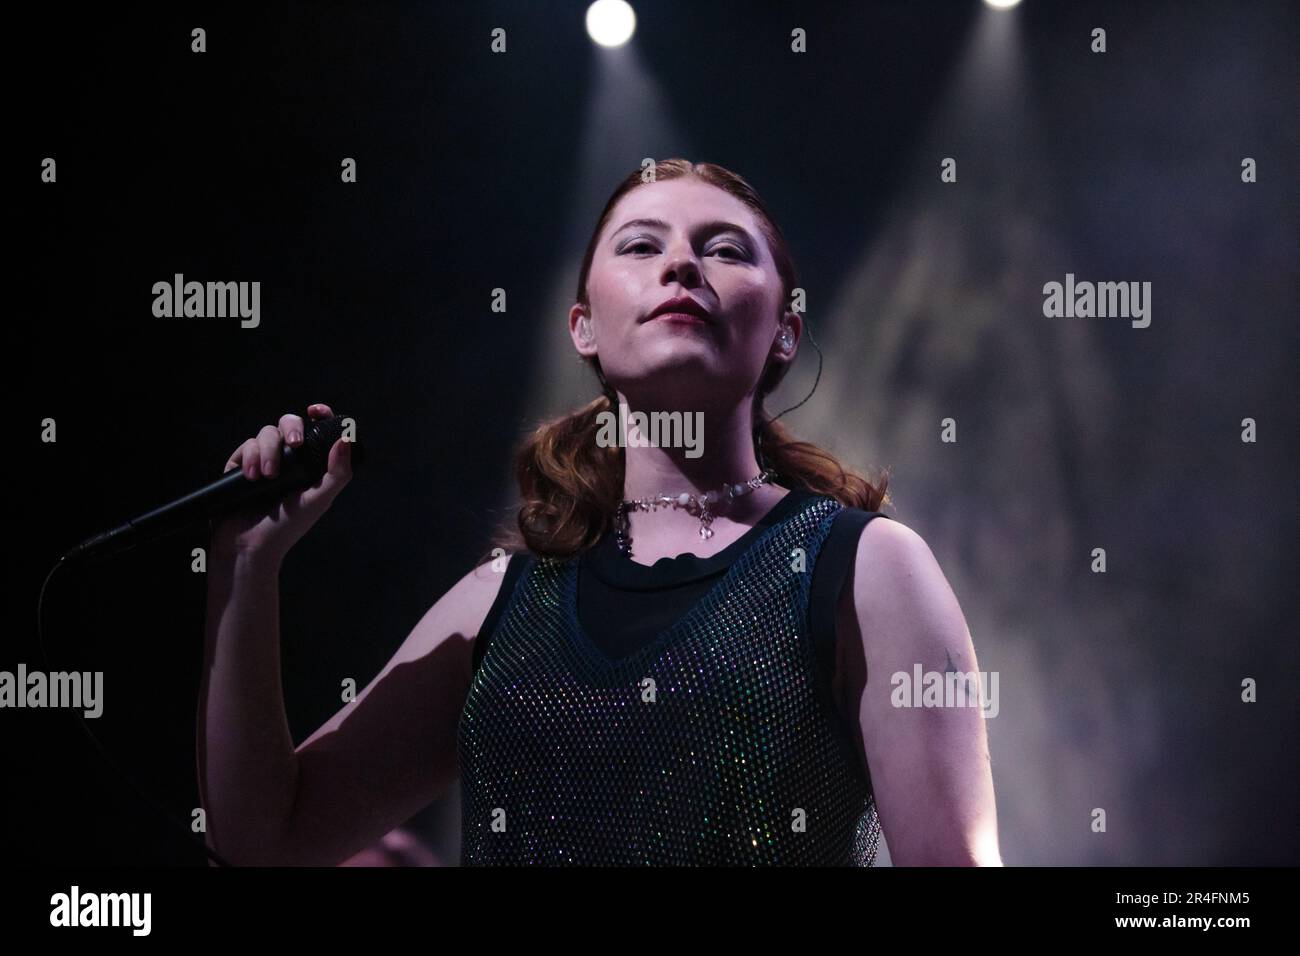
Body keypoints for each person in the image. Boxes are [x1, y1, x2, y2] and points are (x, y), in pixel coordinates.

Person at [198, 158, 1001, 866]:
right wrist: (245, 573)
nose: (682, 263)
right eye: (642, 245)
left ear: (785, 332)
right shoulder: (502, 601)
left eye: (724, 249)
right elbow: (268, 836)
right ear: (582, 325)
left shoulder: (866, 567)